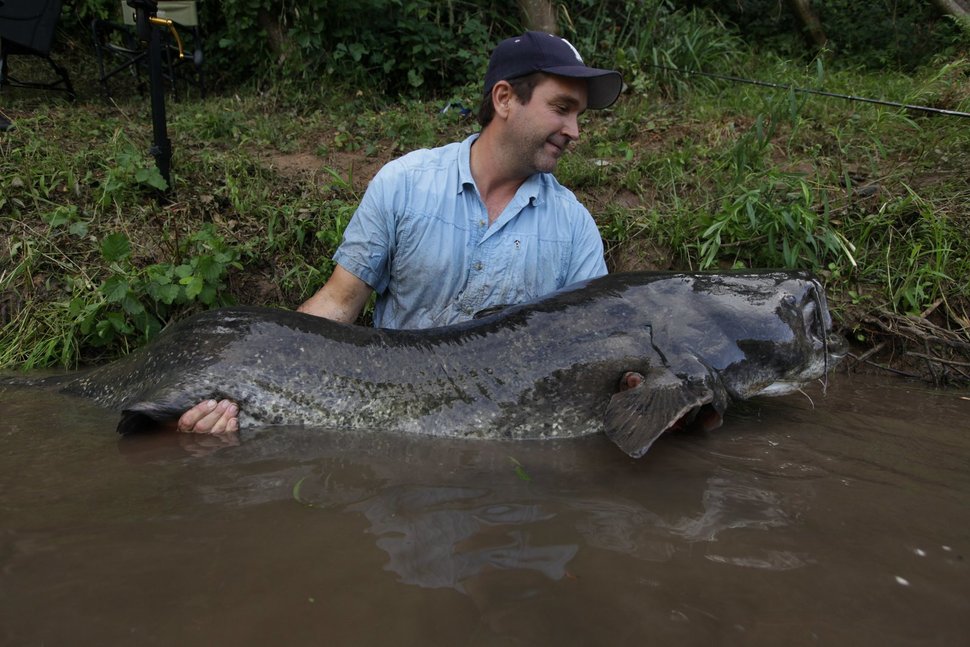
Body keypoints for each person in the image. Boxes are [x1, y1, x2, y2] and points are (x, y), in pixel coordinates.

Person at [178, 31, 626, 434]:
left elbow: (597, 344)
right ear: (505, 99)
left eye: (579, 115)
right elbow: (338, 304)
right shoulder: (404, 183)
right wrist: (240, 391)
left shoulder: (575, 227)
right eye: (562, 109)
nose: (575, 131)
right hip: (387, 425)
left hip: (506, 437)